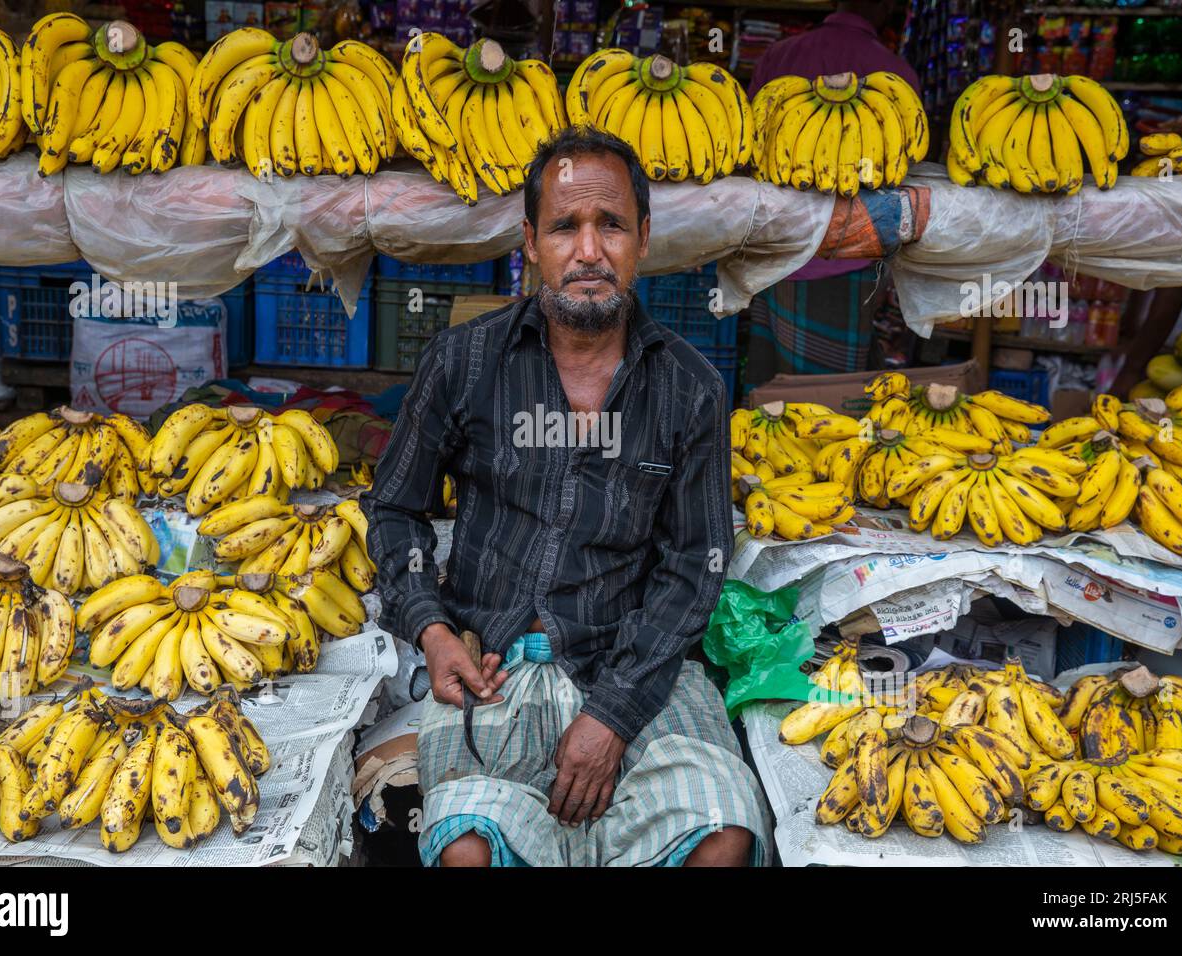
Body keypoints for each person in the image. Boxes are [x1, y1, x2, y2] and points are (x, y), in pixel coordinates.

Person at [361, 126, 770, 867]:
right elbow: (394, 507)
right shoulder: (464, 362)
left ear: (643, 238)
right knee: (468, 853)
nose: (589, 250)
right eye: (564, 227)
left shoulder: (690, 388)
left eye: (610, 224)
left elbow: (696, 567)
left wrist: (613, 714)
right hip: (495, 670)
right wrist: (431, 628)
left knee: (723, 836)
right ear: (530, 242)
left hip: (638, 668)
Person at [745, 0, 922, 383]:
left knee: (773, 389)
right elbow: (907, 165)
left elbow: (750, 148)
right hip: (852, 257)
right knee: (831, 395)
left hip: (777, 248)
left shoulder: (780, 55)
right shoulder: (896, 74)